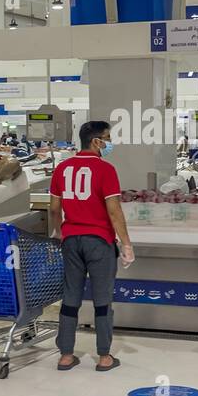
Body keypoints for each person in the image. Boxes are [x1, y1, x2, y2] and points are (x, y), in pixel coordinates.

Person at [50, 120, 134, 372]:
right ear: (96, 141)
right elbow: (114, 211)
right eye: (107, 138)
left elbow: (54, 208)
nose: (109, 143)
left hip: (71, 240)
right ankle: (104, 357)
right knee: (102, 299)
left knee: (70, 298)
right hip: (99, 241)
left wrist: (58, 232)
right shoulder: (105, 170)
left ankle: (66, 355)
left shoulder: (62, 169)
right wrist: (126, 244)